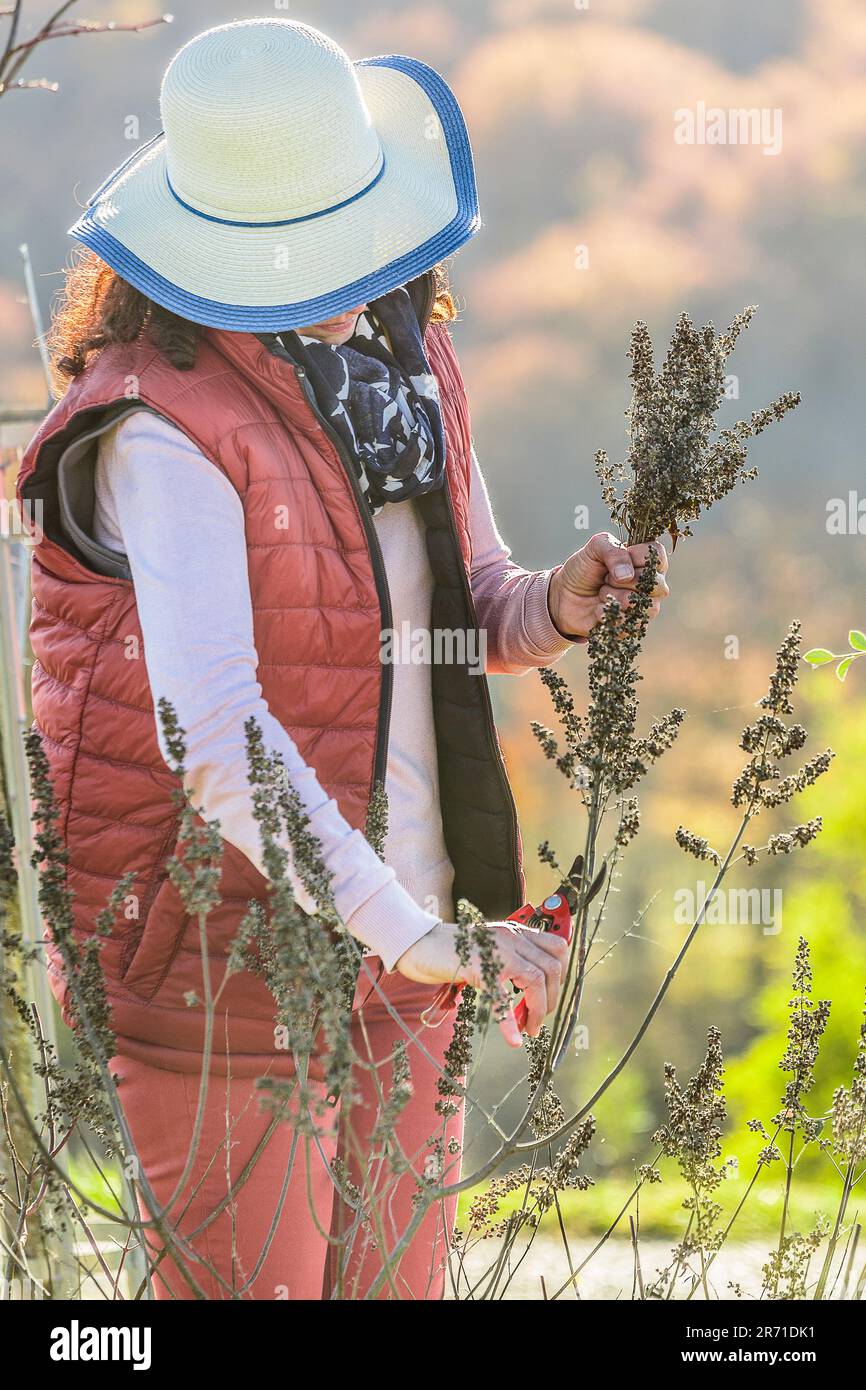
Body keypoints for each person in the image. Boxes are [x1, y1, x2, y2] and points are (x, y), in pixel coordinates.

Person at [18, 17, 669, 1299]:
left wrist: (557, 603)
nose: (359, 265)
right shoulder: (157, 422)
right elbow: (216, 738)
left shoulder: (402, 356)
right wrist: (412, 936)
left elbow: (460, 602)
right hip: (220, 969)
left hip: (408, 938)